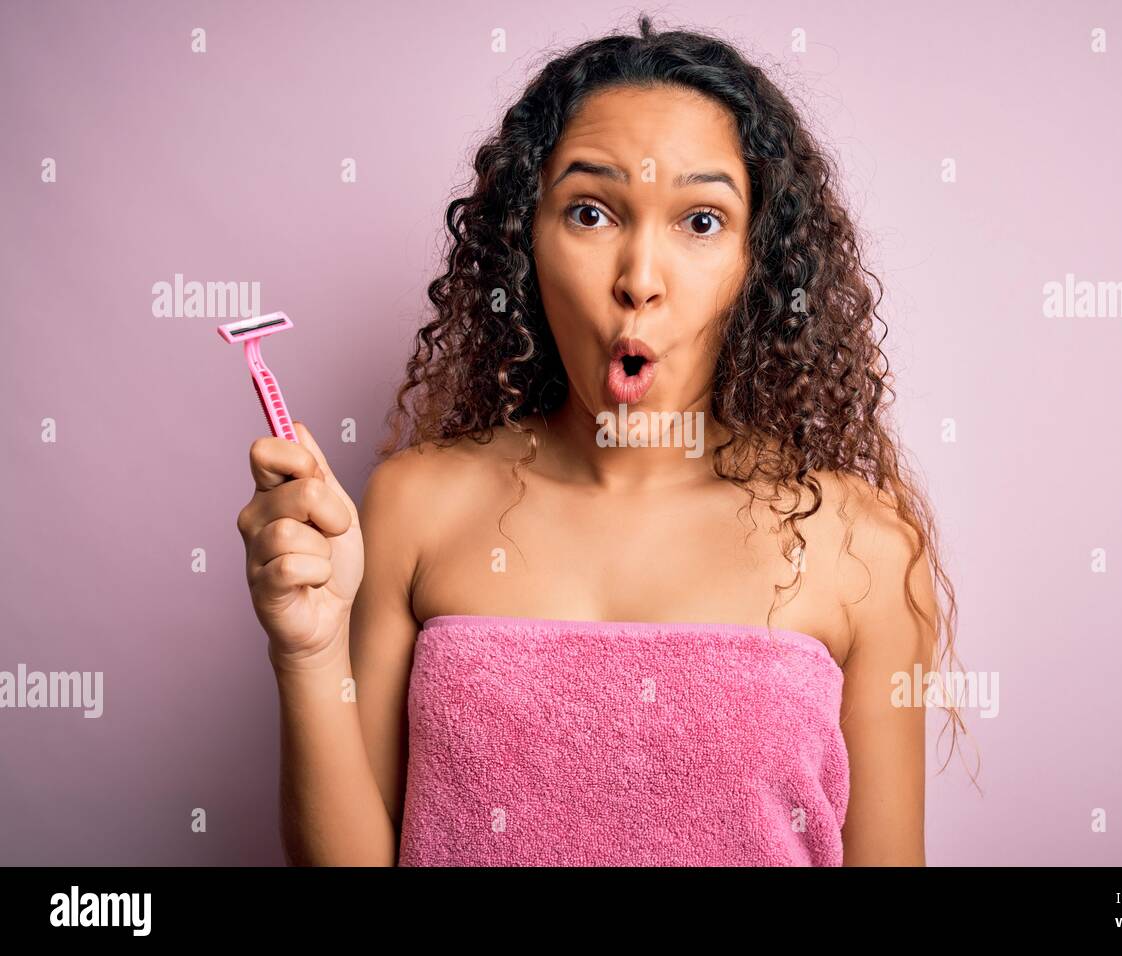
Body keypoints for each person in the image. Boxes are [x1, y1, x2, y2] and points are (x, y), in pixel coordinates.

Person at [236, 14, 969, 866]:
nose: (640, 280)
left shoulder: (864, 548)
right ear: (524, 245)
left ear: (755, 262)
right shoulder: (415, 505)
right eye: (591, 212)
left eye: (701, 221)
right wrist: (308, 650)